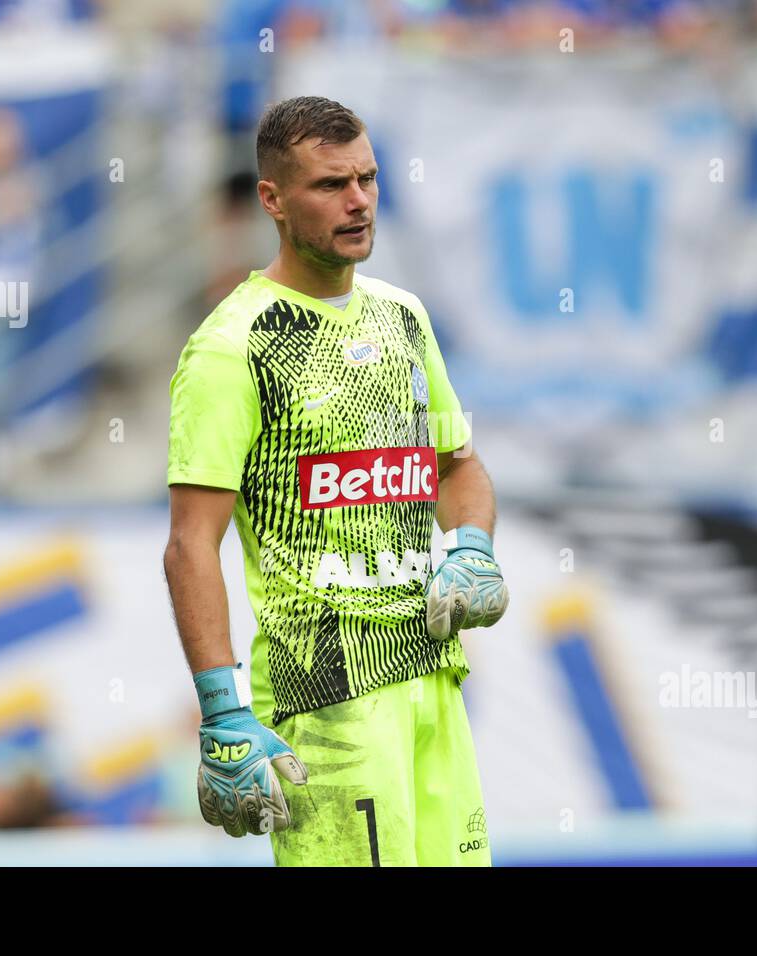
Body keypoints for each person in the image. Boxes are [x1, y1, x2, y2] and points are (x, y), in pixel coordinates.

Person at [163, 96, 508, 866]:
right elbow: (191, 544)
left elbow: (459, 467)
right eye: (330, 185)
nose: (357, 201)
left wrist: (474, 545)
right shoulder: (232, 347)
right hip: (326, 710)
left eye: (369, 179)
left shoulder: (404, 318)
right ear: (273, 200)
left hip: (433, 684)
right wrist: (222, 710)